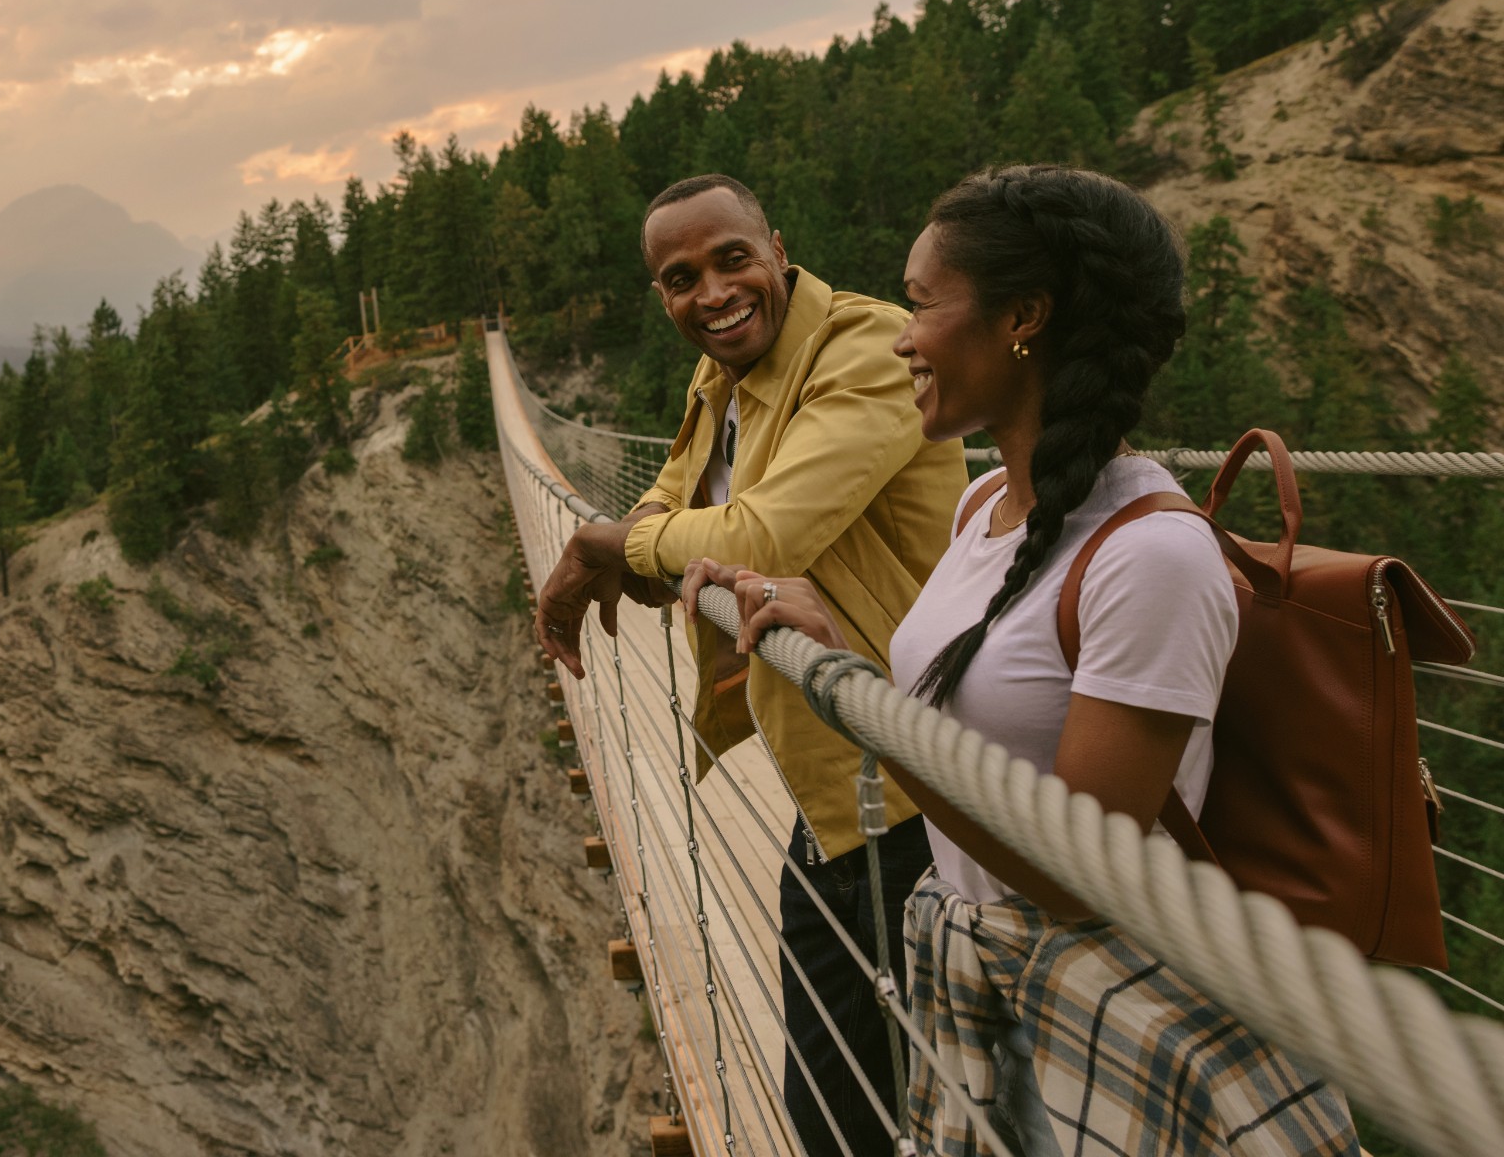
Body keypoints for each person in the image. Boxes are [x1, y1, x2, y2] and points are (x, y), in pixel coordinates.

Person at [710, 165, 1357, 1156]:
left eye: (922, 304)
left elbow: (1071, 877)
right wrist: (836, 636)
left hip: (1100, 1018)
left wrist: (863, 704)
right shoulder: (985, 511)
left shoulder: (1151, 556)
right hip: (980, 992)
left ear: (1024, 317)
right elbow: (960, 701)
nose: (900, 337)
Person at [534, 174, 965, 1157]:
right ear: (661, 295)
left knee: (945, 1104)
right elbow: (674, 498)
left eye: (732, 258)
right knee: (832, 1100)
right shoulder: (725, 373)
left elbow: (761, 531)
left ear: (777, 247)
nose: (714, 291)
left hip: (918, 785)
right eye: (681, 277)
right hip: (834, 789)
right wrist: (630, 535)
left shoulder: (866, 349)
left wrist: (611, 545)